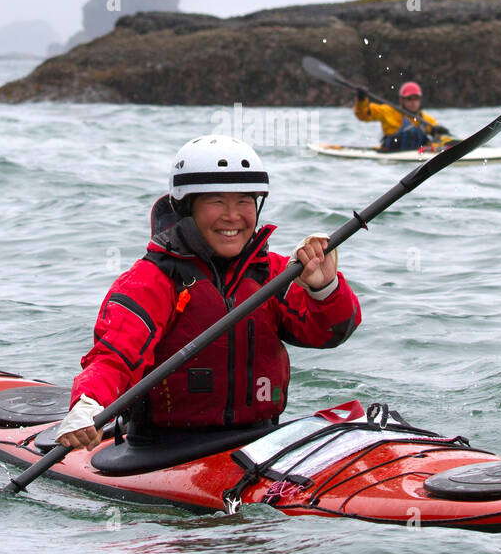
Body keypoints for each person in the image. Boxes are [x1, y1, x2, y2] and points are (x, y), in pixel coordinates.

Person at [54, 135, 361, 450]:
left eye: (244, 201)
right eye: (216, 200)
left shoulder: (275, 273)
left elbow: (330, 333)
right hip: (165, 448)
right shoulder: (152, 280)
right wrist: (88, 403)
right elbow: (115, 357)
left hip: (261, 440)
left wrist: (325, 287)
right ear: (187, 208)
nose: (232, 216)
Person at [354, 81, 451, 152]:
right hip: (391, 157)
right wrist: (361, 100)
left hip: (417, 157)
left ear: (420, 100)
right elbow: (363, 115)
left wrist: (440, 133)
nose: (413, 102)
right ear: (401, 100)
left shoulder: (426, 119)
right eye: (409, 99)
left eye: (416, 98)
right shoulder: (388, 111)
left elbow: (440, 139)